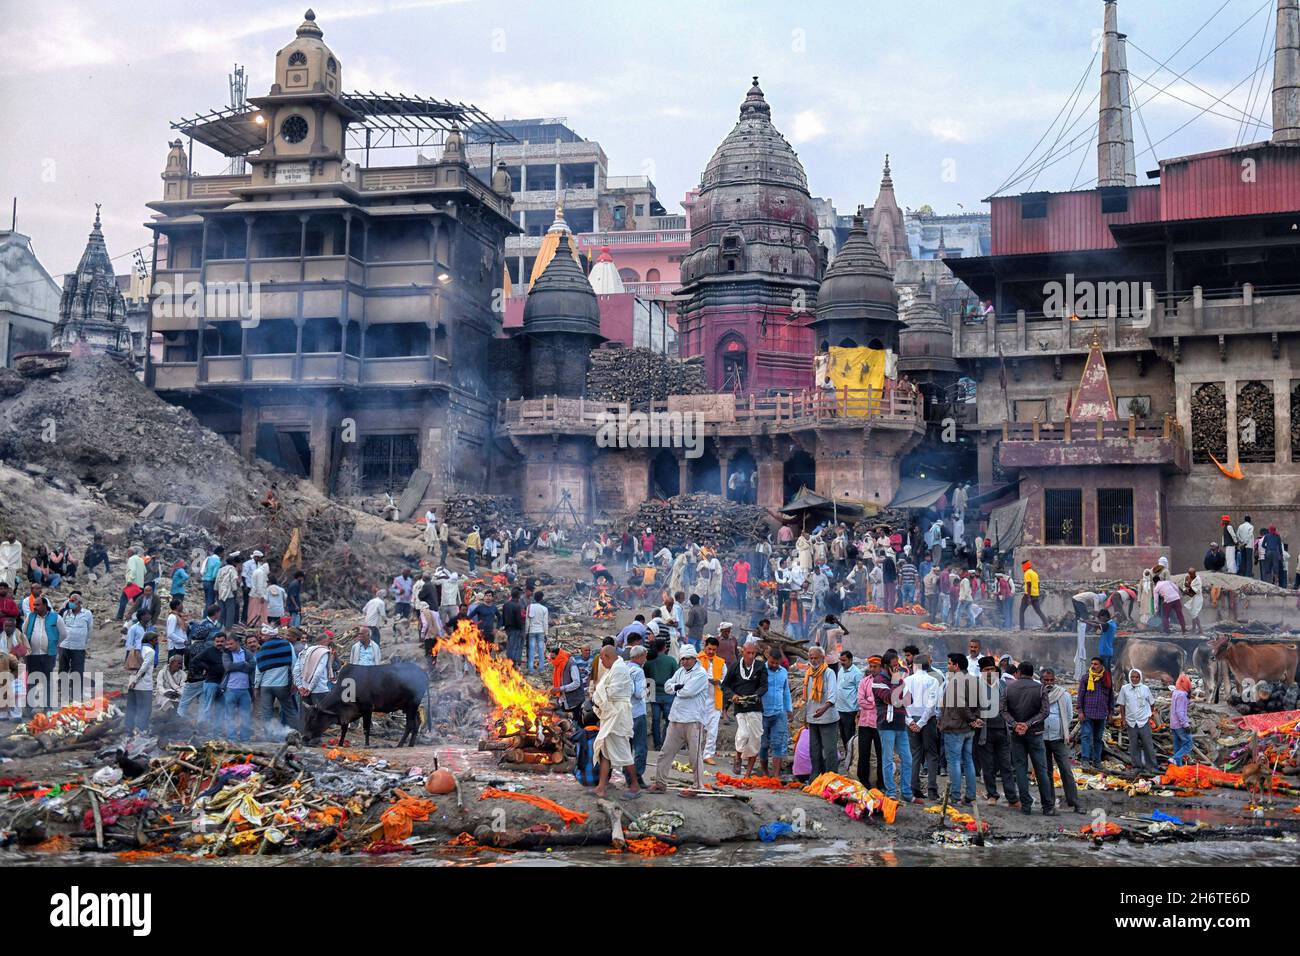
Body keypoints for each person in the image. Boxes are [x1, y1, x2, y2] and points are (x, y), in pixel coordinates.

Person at [650, 644, 709, 792]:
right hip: (676, 719)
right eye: (683, 659)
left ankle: (698, 787)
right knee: (665, 753)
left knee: (694, 757)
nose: (685, 662)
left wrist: (677, 688)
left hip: (693, 721)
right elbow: (667, 687)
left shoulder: (701, 673)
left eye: (688, 659)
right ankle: (660, 783)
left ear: (694, 658)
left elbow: (688, 691)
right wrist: (679, 687)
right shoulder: (680, 672)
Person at [1005, 661, 1054, 815]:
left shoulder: (1009, 688)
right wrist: (1028, 724)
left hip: (1017, 734)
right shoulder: (1040, 688)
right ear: (1033, 674)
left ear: (1018, 672)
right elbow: (1045, 712)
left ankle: (1026, 805)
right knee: (1041, 770)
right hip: (1036, 734)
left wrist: (1015, 724)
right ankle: (1048, 807)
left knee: (1020, 769)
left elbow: (1003, 710)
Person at [592, 646, 639, 799]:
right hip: (611, 713)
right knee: (605, 751)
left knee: (623, 750)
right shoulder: (613, 668)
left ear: (606, 656)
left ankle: (635, 785)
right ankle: (601, 787)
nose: (601, 662)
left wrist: (598, 696)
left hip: (618, 714)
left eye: (601, 658)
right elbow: (603, 690)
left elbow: (611, 692)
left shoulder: (619, 669)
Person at [939, 653, 982, 805]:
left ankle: (955, 797)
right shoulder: (974, 680)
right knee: (968, 761)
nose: (948, 666)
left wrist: (971, 718)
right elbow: (979, 703)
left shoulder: (955, 681)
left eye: (950, 663)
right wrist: (974, 719)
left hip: (955, 728)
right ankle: (970, 796)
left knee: (955, 762)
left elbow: (959, 705)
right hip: (968, 729)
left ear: (956, 666)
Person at [724, 638, 768, 776]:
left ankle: (748, 774)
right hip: (740, 707)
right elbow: (724, 685)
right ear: (743, 652)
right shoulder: (735, 666)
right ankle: (738, 757)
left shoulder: (760, 666)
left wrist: (756, 695)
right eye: (748, 653)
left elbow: (764, 685)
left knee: (755, 740)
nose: (751, 656)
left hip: (755, 707)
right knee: (743, 734)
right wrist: (733, 696)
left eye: (753, 653)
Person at [1041, 668, 1082, 813]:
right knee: (1046, 772)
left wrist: (1061, 729)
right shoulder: (1038, 694)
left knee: (1066, 769)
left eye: (1051, 680)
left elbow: (1070, 715)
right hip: (1042, 738)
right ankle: (1049, 804)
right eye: (1046, 680)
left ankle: (1075, 802)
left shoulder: (1063, 694)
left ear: (1055, 680)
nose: (1049, 683)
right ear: (1041, 680)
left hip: (1058, 738)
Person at [977, 656, 1017, 805]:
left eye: (991, 669)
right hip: (984, 732)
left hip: (1002, 730)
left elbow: (1010, 705)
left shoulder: (1002, 685)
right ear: (981, 672)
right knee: (988, 766)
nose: (989, 672)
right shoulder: (976, 686)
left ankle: (1012, 797)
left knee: (1006, 765)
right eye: (986, 670)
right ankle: (992, 795)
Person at [904, 653, 941, 800]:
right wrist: (921, 723)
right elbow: (931, 704)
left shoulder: (906, 680)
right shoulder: (933, 680)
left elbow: (903, 703)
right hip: (927, 721)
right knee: (931, 755)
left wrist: (910, 721)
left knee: (915, 755)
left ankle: (914, 788)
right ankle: (932, 790)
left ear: (915, 666)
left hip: (912, 720)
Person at [803, 645, 840, 777]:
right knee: (815, 751)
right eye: (811, 657)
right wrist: (805, 717)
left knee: (830, 751)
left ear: (823, 658)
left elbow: (833, 694)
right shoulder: (808, 673)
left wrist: (824, 708)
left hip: (828, 718)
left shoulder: (829, 673)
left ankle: (831, 779)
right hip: (813, 718)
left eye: (816, 657)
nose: (813, 660)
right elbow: (806, 699)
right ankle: (816, 779)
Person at [254, 626, 298, 731]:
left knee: (266, 713)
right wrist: (295, 683)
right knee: (290, 711)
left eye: (263, 636)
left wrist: (256, 687)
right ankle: (295, 734)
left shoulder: (262, 648)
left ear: (268, 636)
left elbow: (259, 671)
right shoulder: (287, 645)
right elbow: (294, 664)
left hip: (265, 686)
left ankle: (268, 737)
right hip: (282, 685)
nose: (262, 638)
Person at [1116, 668, 1159, 773]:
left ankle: (1152, 766)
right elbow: (1122, 705)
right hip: (1131, 722)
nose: (1134, 679)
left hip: (1143, 721)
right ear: (1129, 678)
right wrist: (1123, 719)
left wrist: (1149, 715)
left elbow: (1152, 703)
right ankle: (1137, 767)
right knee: (1134, 745)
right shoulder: (1125, 689)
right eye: (1132, 677)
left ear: (1140, 678)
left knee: (1148, 744)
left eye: (1137, 677)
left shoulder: (1145, 689)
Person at [759, 646, 793, 778]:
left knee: (778, 743)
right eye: (772, 662)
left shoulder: (783, 672)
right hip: (762, 712)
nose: (774, 665)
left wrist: (789, 709)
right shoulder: (761, 670)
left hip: (779, 712)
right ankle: (765, 773)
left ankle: (776, 775)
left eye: (776, 663)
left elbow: (785, 691)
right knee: (763, 744)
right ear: (768, 658)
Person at [1078, 657, 1114, 768]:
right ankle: (1085, 760)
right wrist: (1080, 711)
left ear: (1102, 666)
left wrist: (1110, 713)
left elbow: (1111, 697)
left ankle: (1097, 761)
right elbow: (1080, 696)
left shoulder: (1106, 678)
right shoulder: (1086, 678)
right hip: (1088, 712)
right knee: (1086, 736)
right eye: (1092, 663)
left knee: (1098, 738)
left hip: (1101, 713)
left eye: (1096, 664)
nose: (1093, 666)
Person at [697, 636, 727, 764]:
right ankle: (696, 753)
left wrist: (717, 681)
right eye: (709, 649)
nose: (710, 652)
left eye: (713, 650)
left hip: (715, 700)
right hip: (699, 700)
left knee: (713, 730)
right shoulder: (697, 660)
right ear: (705, 647)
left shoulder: (721, 662)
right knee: (697, 729)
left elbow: (725, 680)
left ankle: (708, 754)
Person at [58, 591, 92, 701]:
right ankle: (62, 692)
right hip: (65, 645)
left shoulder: (87, 614)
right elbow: (62, 628)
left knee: (77, 670)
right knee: (63, 669)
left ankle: (76, 694)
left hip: (79, 647)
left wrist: (85, 644)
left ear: (79, 603)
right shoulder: (66, 613)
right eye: (70, 601)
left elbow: (90, 630)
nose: (70, 603)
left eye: (73, 601)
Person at [221, 633, 255, 742]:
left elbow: (252, 665)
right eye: (227, 644)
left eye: (231, 644)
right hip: (230, 689)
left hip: (245, 689)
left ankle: (245, 738)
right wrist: (243, 664)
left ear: (237, 642)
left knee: (246, 716)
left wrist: (238, 666)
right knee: (230, 716)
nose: (228, 646)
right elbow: (228, 667)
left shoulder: (247, 653)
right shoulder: (226, 654)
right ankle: (232, 739)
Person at [644, 638, 677, 750]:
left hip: (654, 694)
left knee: (656, 720)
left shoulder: (649, 662)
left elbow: (647, 679)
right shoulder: (671, 660)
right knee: (669, 720)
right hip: (668, 694)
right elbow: (676, 677)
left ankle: (657, 744)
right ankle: (666, 743)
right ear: (664, 647)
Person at [124, 631, 157, 735]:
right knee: (145, 710)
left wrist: (132, 681)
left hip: (132, 683)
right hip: (144, 685)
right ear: (150, 640)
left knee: (131, 708)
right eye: (155, 640)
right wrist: (136, 681)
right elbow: (144, 668)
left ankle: (128, 730)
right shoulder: (150, 651)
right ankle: (142, 731)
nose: (157, 642)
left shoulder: (136, 649)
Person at [834, 650, 863, 753]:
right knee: (842, 735)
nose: (842, 662)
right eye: (840, 660)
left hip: (850, 710)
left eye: (844, 660)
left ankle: (851, 757)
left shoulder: (857, 673)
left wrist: (860, 709)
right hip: (839, 708)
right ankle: (847, 754)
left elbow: (860, 692)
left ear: (850, 660)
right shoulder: (841, 670)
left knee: (849, 735)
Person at [1170, 673, 1194, 767]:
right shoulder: (1182, 695)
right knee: (1188, 744)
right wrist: (1185, 724)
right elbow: (1180, 711)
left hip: (1174, 724)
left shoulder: (1176, 692)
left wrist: (1188, 697)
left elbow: (1179, 707)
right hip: (1180, 725)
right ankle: (1175, 758)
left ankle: (1178, 768)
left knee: (1177, 746)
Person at [525, 590, 549, 674]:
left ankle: (531, 669)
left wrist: (526, 632)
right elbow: (545, 623)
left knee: (531, 650)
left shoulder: (529, 607)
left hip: (531, 631)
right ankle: (541, 669)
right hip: (541, 631)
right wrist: (546, 633)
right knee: (541, 650)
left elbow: (527, 621)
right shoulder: (544, 609)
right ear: (541, 599)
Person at [216, 556, 241, 631]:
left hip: (220, 593)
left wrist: (216, 590)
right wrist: (235, 591)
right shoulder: (232, 569)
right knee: (230, 613)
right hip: (229, 594)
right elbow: (234, 581)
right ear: (233, 563)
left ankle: (218, 627)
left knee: (221, 612)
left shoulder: (221, 569)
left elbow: (217, 581)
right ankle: (228, 629)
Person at [1019, 560, 1046, 629]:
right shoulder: (1034, 573)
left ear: (1025, 566)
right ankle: (1047, 624)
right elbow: (1038, 584)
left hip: (1028, 595)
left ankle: (1022, 628)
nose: (1022, 568)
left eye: (1022, 566)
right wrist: (1037, 594)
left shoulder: (1027, 573)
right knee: (1038, 611)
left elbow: (1029, 585)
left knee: (1021, 611)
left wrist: (1028, 597)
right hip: (1035, 595)